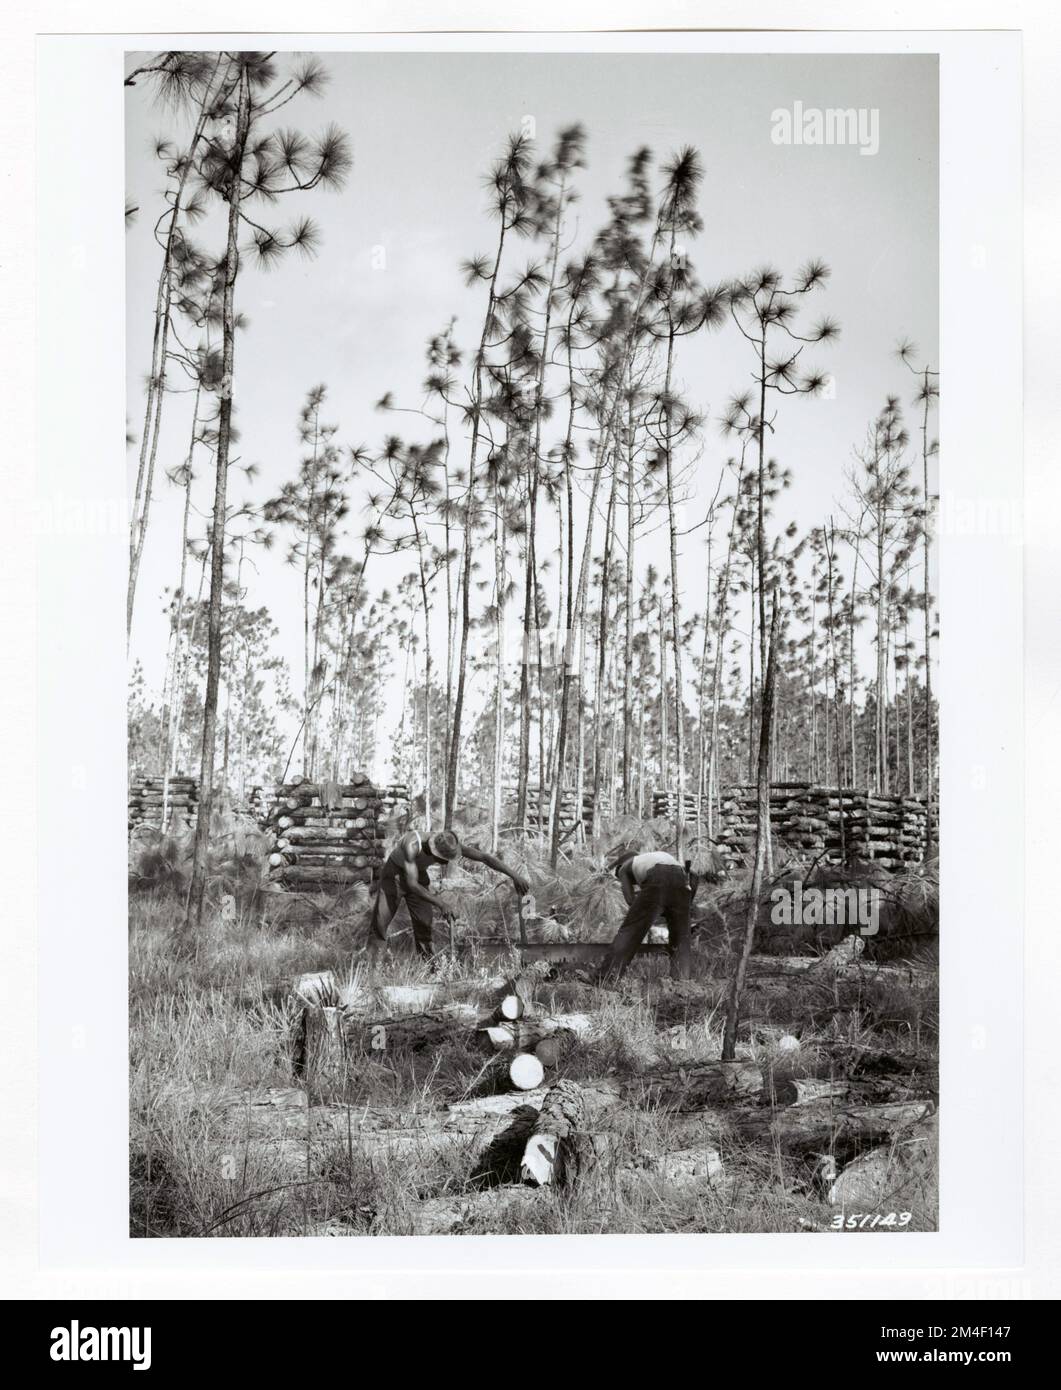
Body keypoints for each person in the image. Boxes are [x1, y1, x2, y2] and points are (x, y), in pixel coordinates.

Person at [367, 828, 530, 960]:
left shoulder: (448, 844)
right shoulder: (412, 845)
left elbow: (485, 858)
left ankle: (430, 969)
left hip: (418, 875)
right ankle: (373, 971)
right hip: (394, 876)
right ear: (436, 853)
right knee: (381, 923)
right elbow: (411, 885)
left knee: (424, 923)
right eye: (446, 859)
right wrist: (442, 903)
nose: (448, 862)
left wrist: (514, 875)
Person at [600, 849, 701, 982]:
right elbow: (694, 876)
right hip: (681, 880)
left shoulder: (624, 868)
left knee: (630, 932)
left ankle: (607, 977)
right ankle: (681, 983)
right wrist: (685, 905)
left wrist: (645, 908)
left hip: (658, 877)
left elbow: (631, 901)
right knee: (681, 938)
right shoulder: (653, 857)